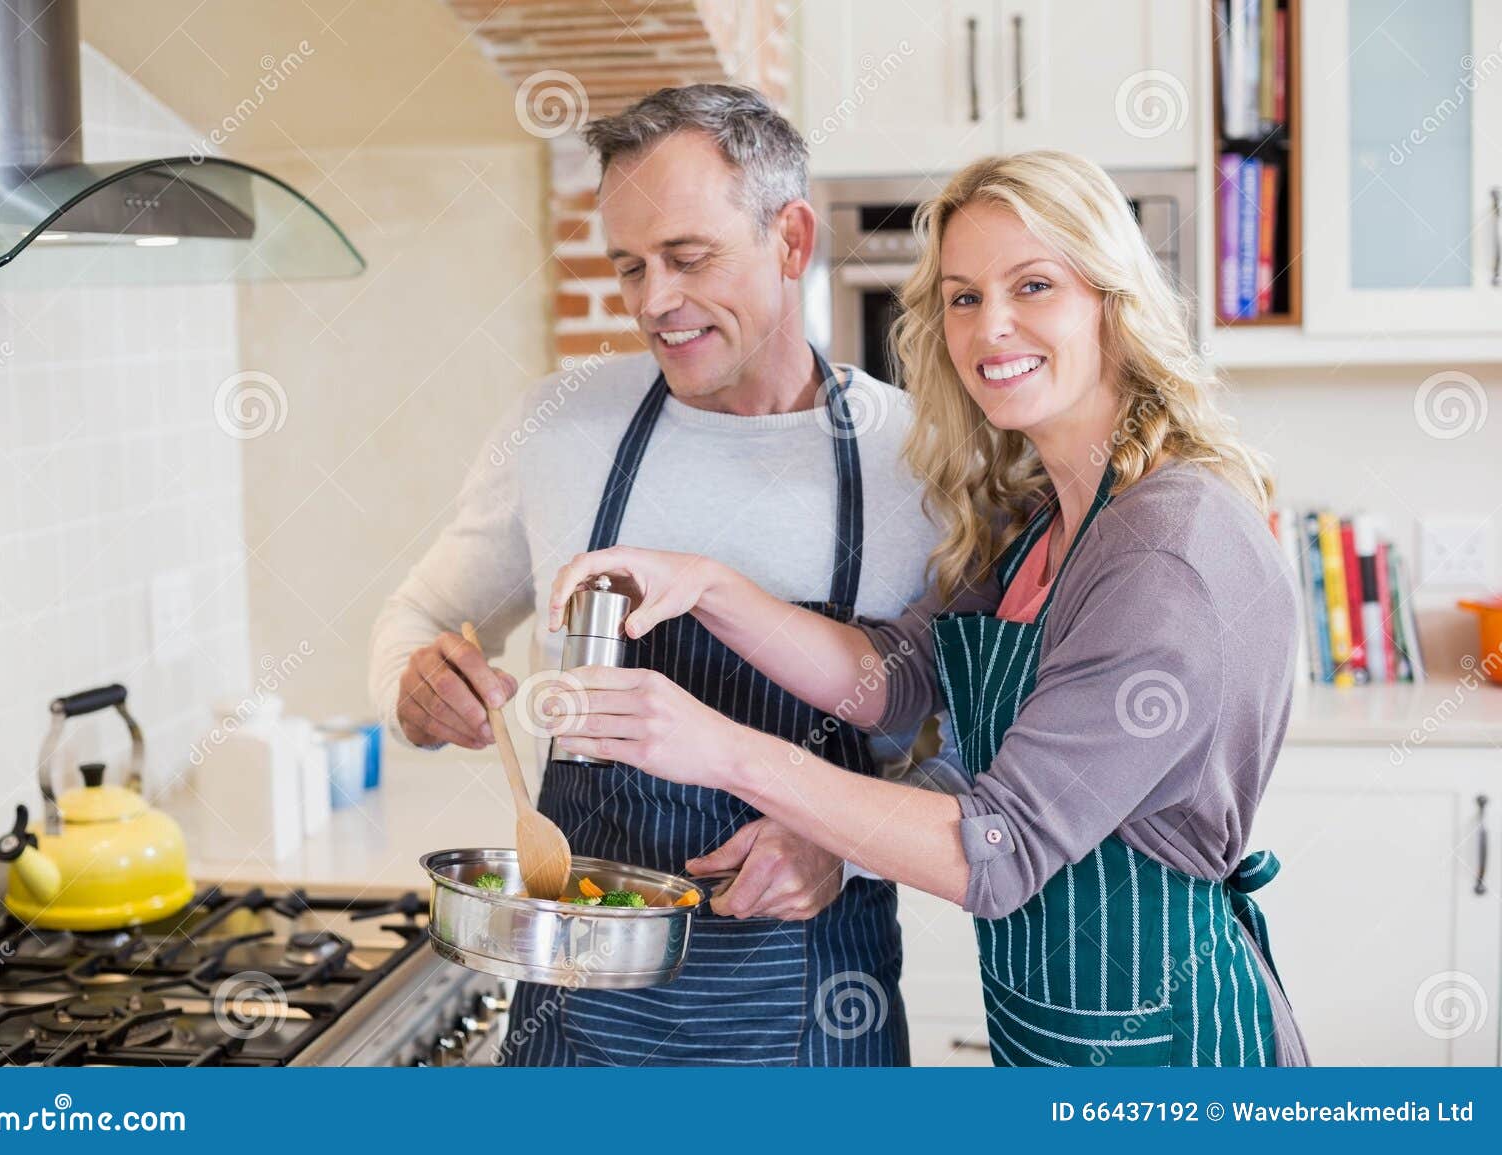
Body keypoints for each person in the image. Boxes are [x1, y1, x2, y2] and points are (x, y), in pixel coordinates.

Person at [547, 151, 1310, 1067]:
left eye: (1034, 285)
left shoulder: (1165, 547)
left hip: (1172, 1045)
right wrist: (708, 586)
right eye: (963, 297)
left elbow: (999, 845)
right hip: (1053, 1030)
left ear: (1112, 300)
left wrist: (723, 750)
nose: (991, 327)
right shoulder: (1044, 517)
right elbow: (892, 680)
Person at [369, 84, 944, 1066]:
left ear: (792, 239)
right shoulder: (562, 428)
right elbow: (422, 615)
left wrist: (845, 843)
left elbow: (975, 746)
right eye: (630, 266)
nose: (652, 302)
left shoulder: (915, 458)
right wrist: (411, 689)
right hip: (575, 1019)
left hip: (813, 1008)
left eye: (688, 257)